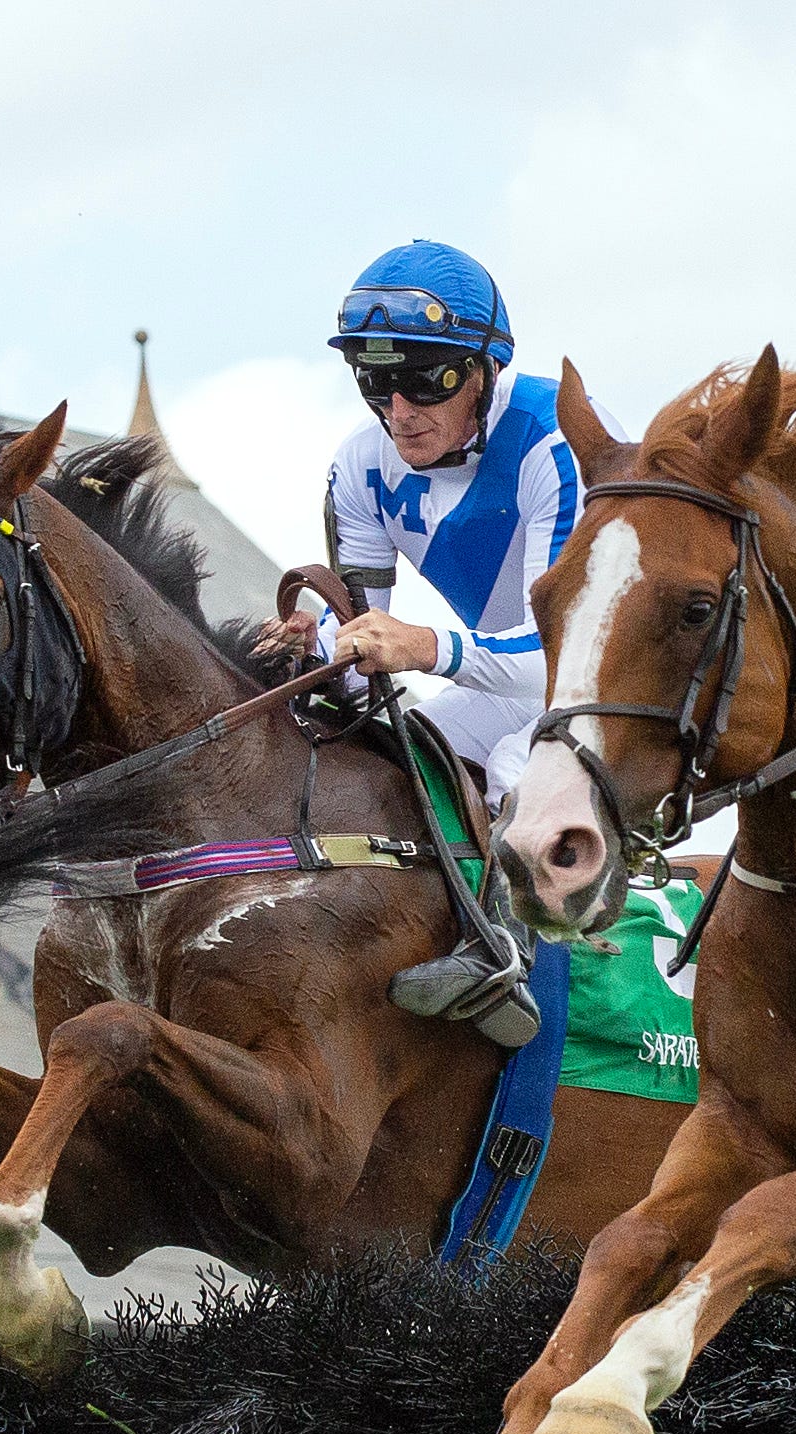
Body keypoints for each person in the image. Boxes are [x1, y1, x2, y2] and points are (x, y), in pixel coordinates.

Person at [264, 241, 613, 1026]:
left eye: (427, 380)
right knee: (389, 760)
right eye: (377, 383)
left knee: (519, 761)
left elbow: (558, 662)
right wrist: (320, 643)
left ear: (485, 370)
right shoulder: (359, 467)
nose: (399, 411)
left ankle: (512, 964)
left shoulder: (555, 442)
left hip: (594, 686)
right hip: (509, 680)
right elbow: (364, 662)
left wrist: (427, 647)